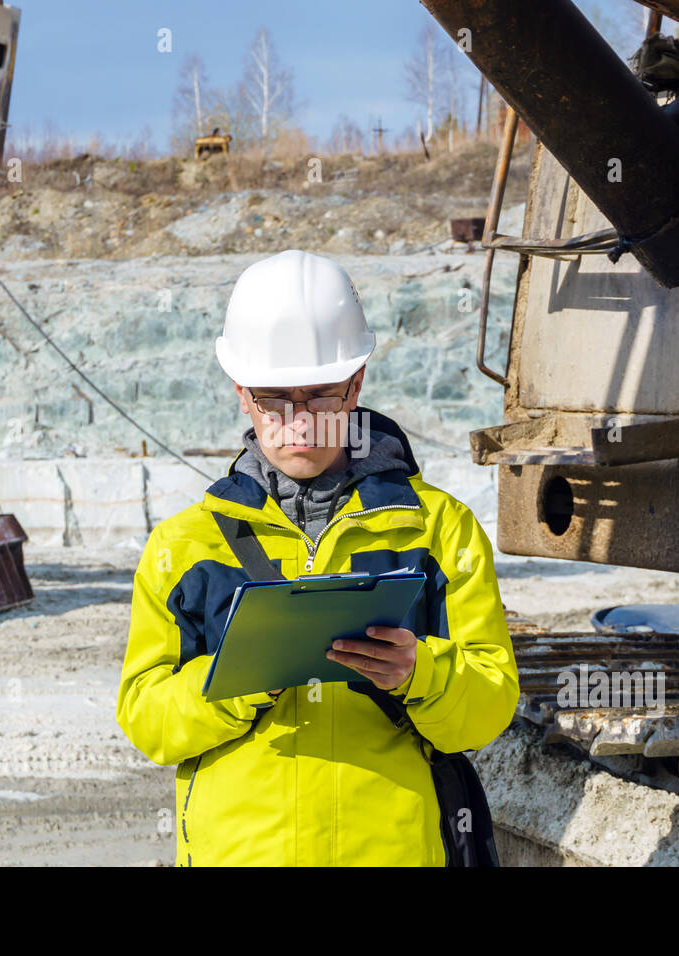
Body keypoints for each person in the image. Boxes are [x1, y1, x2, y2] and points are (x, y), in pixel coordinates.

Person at [116, 249, 518, 866]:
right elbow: (147, 718)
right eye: (276, 399)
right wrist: (235, 682)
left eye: (321, 397)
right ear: (242, 393)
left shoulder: (440, 531)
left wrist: (420, 674)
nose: (299, 424)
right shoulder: (185, 546)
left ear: (356, 385)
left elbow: (487, 708)